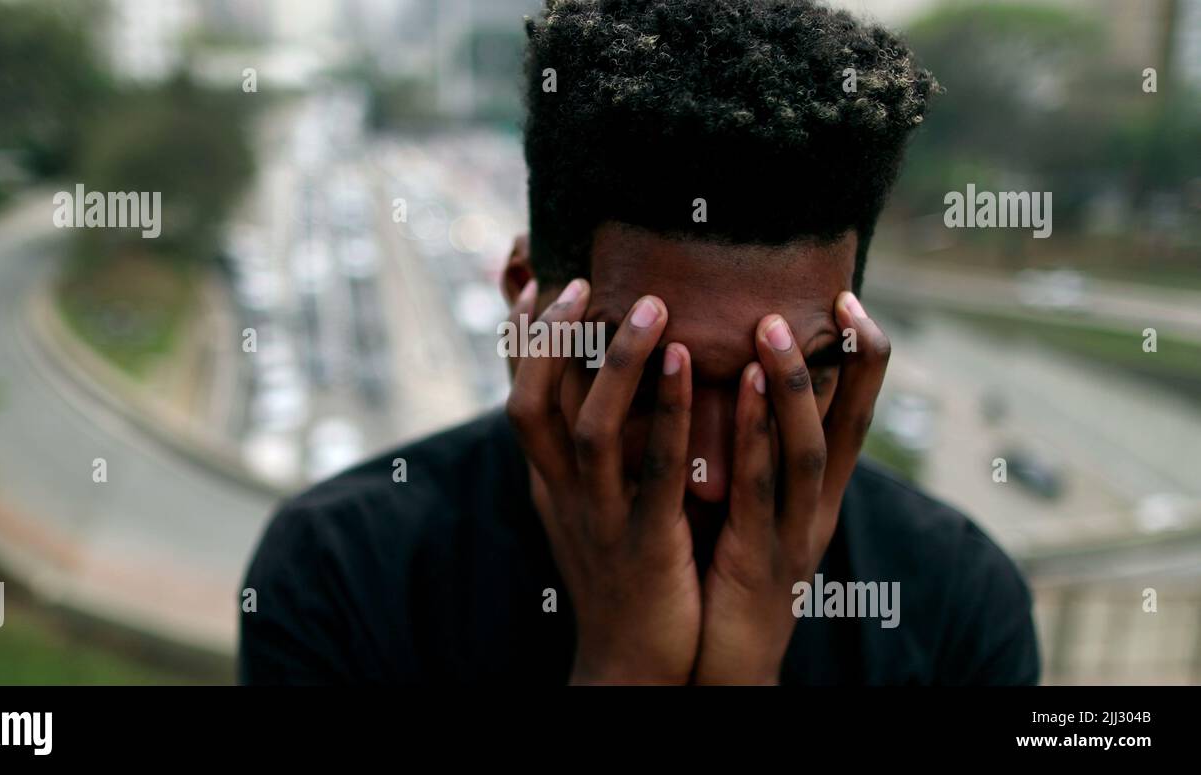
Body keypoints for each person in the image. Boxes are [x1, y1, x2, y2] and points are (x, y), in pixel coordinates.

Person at [239, 0, 1039, 685]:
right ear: (527, 302)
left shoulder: (955, 605)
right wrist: (622, 669)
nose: (713, 473)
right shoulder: (340, 578)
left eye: (794, 378)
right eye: (651, 379)